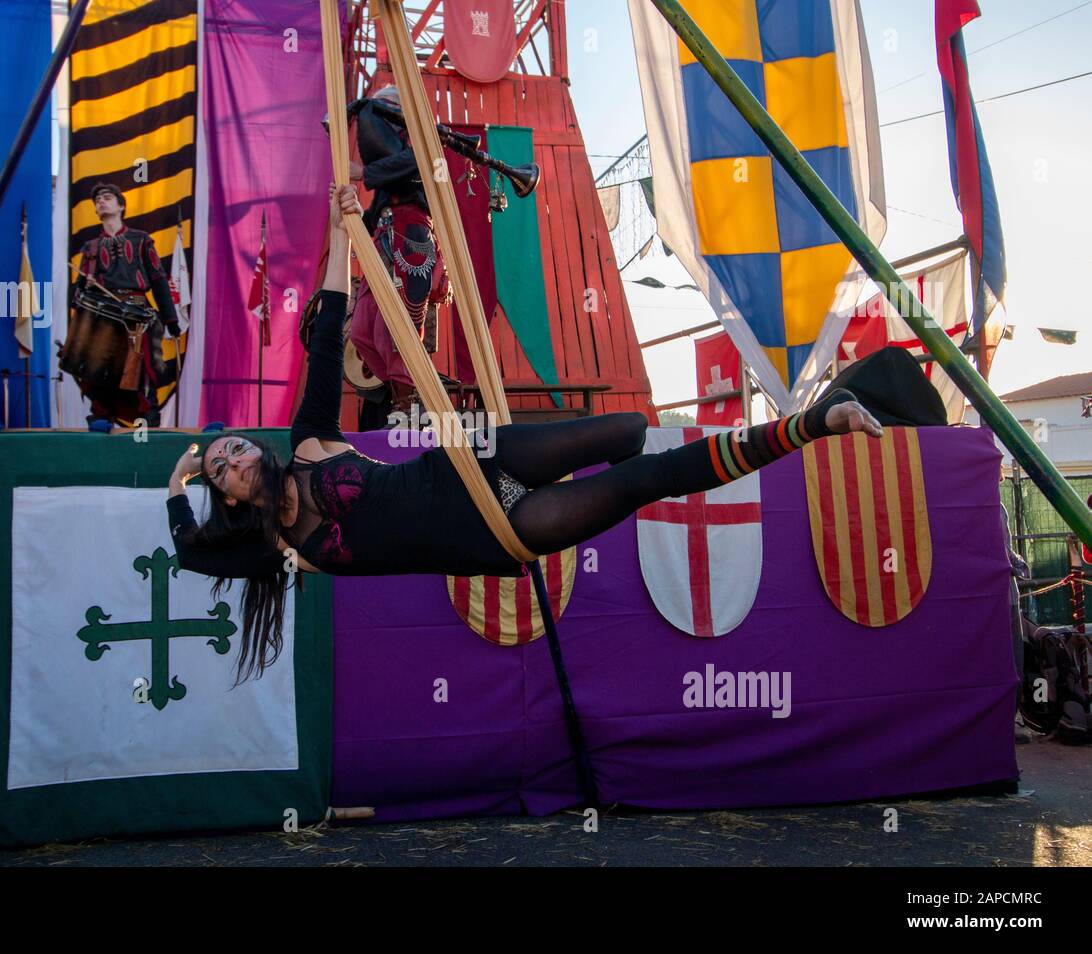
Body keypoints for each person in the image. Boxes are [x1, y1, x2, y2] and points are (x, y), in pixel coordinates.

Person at [165, 185, 884, 681]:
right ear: (229, 494)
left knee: (630, 431)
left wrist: (343, 230)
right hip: (494, 531)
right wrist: (179, 485)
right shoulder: (279, 550)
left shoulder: (312, 441)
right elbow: (194, 556)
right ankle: (818, 423)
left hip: (470, 465)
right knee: (641, 482)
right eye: (223, 466)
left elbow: (326, 337)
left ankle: (799, 420)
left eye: (232, 447)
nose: (233, 457)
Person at [344, 86, 451, 414]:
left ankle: (407, 403)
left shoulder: (421, 146)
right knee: (363, 329)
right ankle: (400, 394)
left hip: (412, 234)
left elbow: (418, 160)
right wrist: (351, 218)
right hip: (385, 239)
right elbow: (374, 209)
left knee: (399, 327)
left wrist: (365, 173)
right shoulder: (389, 171)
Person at [71, 182, 180, 426]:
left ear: (121, 206)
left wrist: (171, 319)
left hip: (137, 311)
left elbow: (158, 278)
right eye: (97, 199)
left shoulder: (141, 240)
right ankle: (102, 414)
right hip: (103, 315)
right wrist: (82, 291)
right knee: (98, 366)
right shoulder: (90, 248)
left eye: (107, 197)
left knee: (143, 363)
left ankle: (148, 411)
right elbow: (77, 292)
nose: (101, 201)